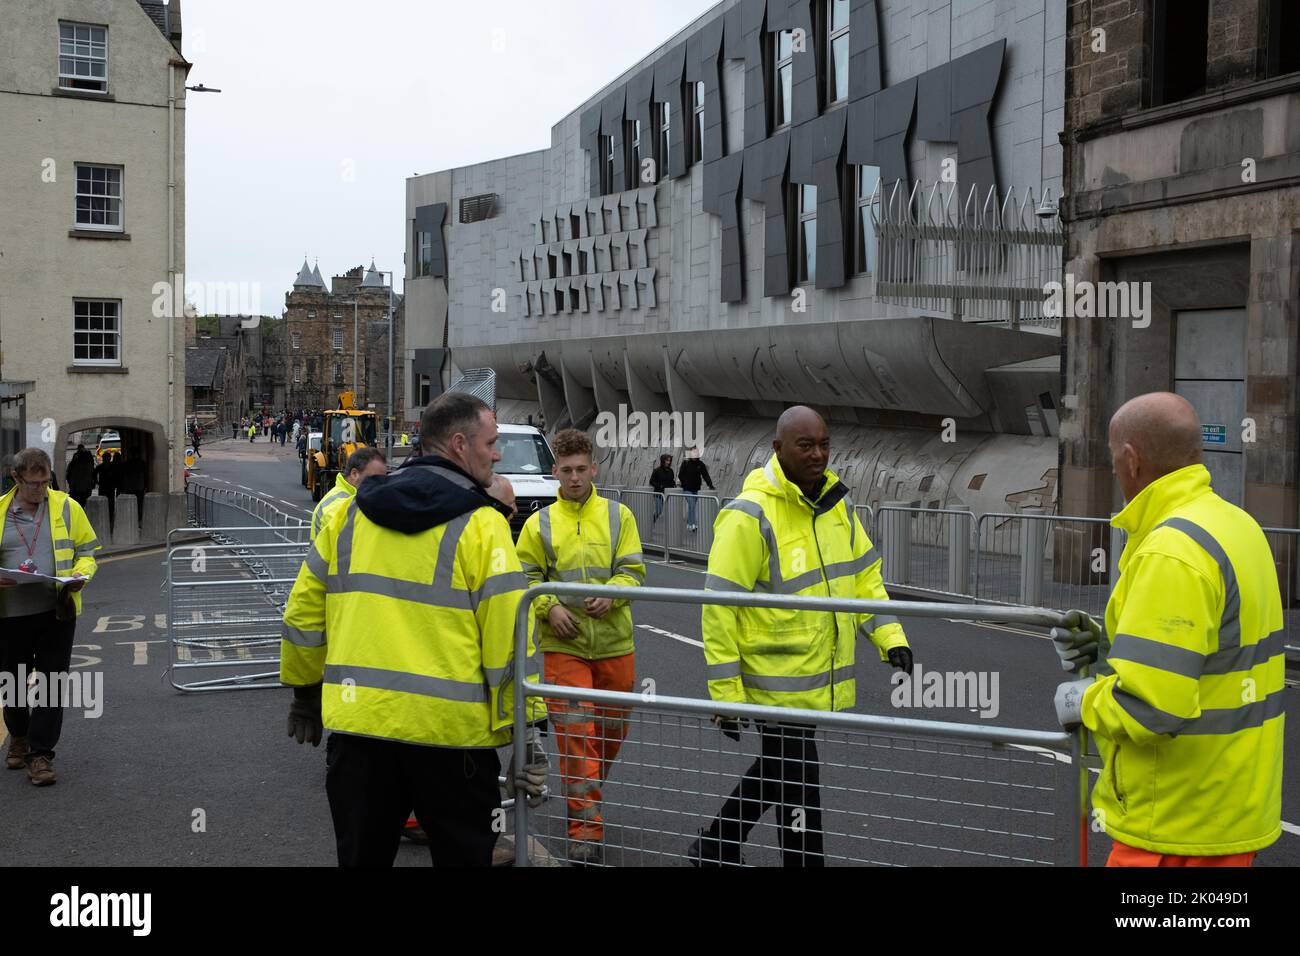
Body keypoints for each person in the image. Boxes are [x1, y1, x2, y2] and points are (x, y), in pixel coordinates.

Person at [280, 392, 547, 867]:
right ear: (461, 445)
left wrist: (305, 691)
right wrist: (525, 731)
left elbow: (303, 614)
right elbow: (509, 640)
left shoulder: (346, 515)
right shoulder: (483, 526)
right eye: (492, 442)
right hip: (453, 742)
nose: (498, 453)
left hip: (359, 732)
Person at [1052, 392, 1285, 867]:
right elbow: (1218, 652)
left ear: (1131, 459)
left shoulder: (1171, 550)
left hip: (1173, 825)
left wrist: (1082, 701)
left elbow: (1151, 711)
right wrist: (1108, 650)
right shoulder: (1238, 526)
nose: (1117, 472)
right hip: (1230, 812)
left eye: (1115, 459)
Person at [691, 406, 913, 866]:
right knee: (798, 777)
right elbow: (719, 608)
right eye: (805, 445)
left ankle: (714, 846)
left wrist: (891, 637)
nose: (818, 454)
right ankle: (782, 858)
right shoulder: (750, 514)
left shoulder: (836, 506)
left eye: (824, 444)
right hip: (771, 679)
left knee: (781, 772)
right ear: (778, 449)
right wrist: (726, 697)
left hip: (812, 676)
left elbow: (863, 578)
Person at [515, 429, 645, 866]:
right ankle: (584, 829)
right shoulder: (539, 524)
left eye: (581, 470)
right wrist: (549, 608)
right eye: (566, 471)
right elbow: (526, 578)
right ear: (555, 472)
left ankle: (585, 795)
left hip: (613, 644)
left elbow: (633, 572)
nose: (574, 478)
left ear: (594, 469)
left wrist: (614, 592)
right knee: (576, 736)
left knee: (609, 734)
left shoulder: (619, 516)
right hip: (562, 645)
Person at [1, 448, 99, 786]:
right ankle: (18, 733)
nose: (40, 490)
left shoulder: (67, 507)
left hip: (57, 610)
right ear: (16, 478)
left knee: (52, 683)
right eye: (33, 484)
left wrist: (80, 574)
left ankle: (40, 755)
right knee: (11, 683)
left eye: (45, 482)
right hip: (9, 615)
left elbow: (87, 550)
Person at [677, 446, 715, 532]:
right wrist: (685, 482)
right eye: (693, 453)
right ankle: (692, 525)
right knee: (692, 505)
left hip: (696, 489)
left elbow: (705, 475)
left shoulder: (700, 464)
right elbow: (680, 475)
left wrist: (710, 485)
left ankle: (689, 522)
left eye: (696, 453)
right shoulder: (685, 463)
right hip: (687, 489)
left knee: (692, 507)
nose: (695, 454)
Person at [649, 454, 675, 524]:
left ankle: (670, 526)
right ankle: (652, 521)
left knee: (670, 511)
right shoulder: (657, 470)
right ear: (663, 461)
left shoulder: (671, 471)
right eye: (667, 460)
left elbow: (672, 480)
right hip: (659, 494)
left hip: (669, 493)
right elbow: (651, 481)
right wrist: (659, 486)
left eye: (669, 460)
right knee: (659, 511)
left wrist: (674, 485)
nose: (668, 462)